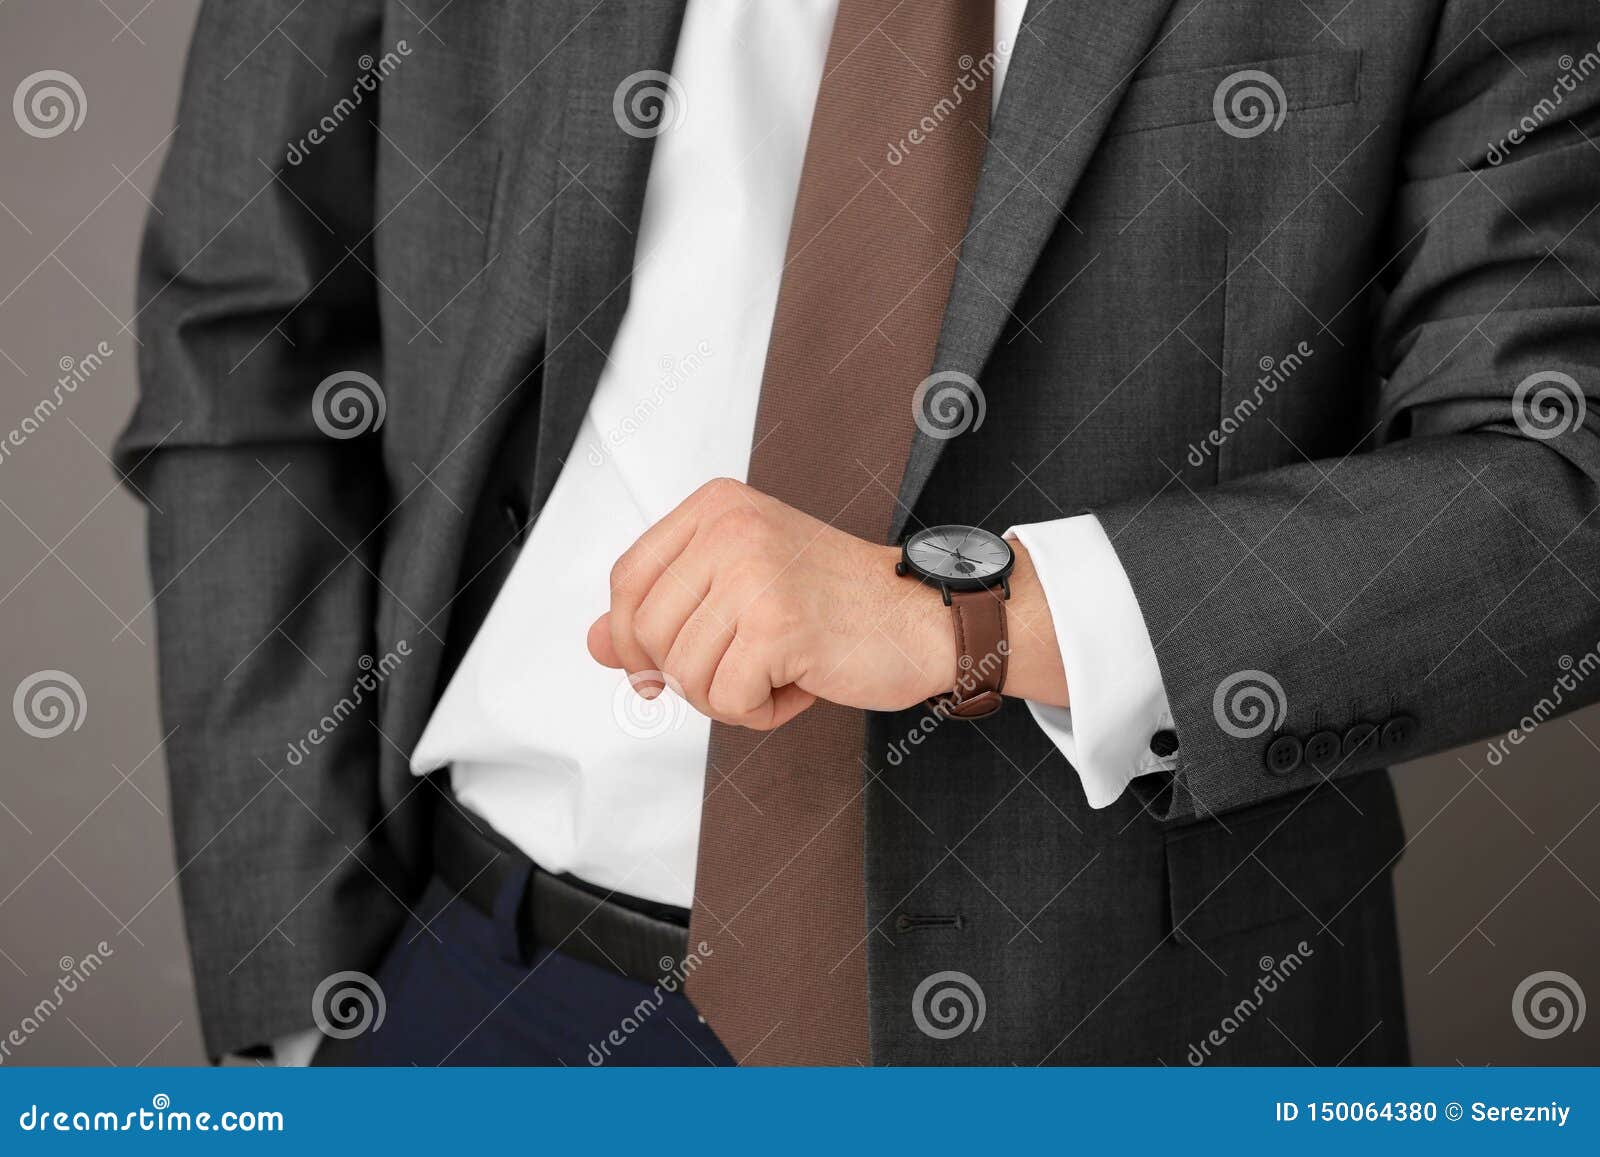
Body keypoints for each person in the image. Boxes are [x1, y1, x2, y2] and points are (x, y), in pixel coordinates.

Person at [117, 0, 1600, 1065]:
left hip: (1140, 1040)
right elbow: (253, 328)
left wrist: (987, 616)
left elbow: (1559, 498)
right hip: (494, 998)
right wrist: (301, 1005)